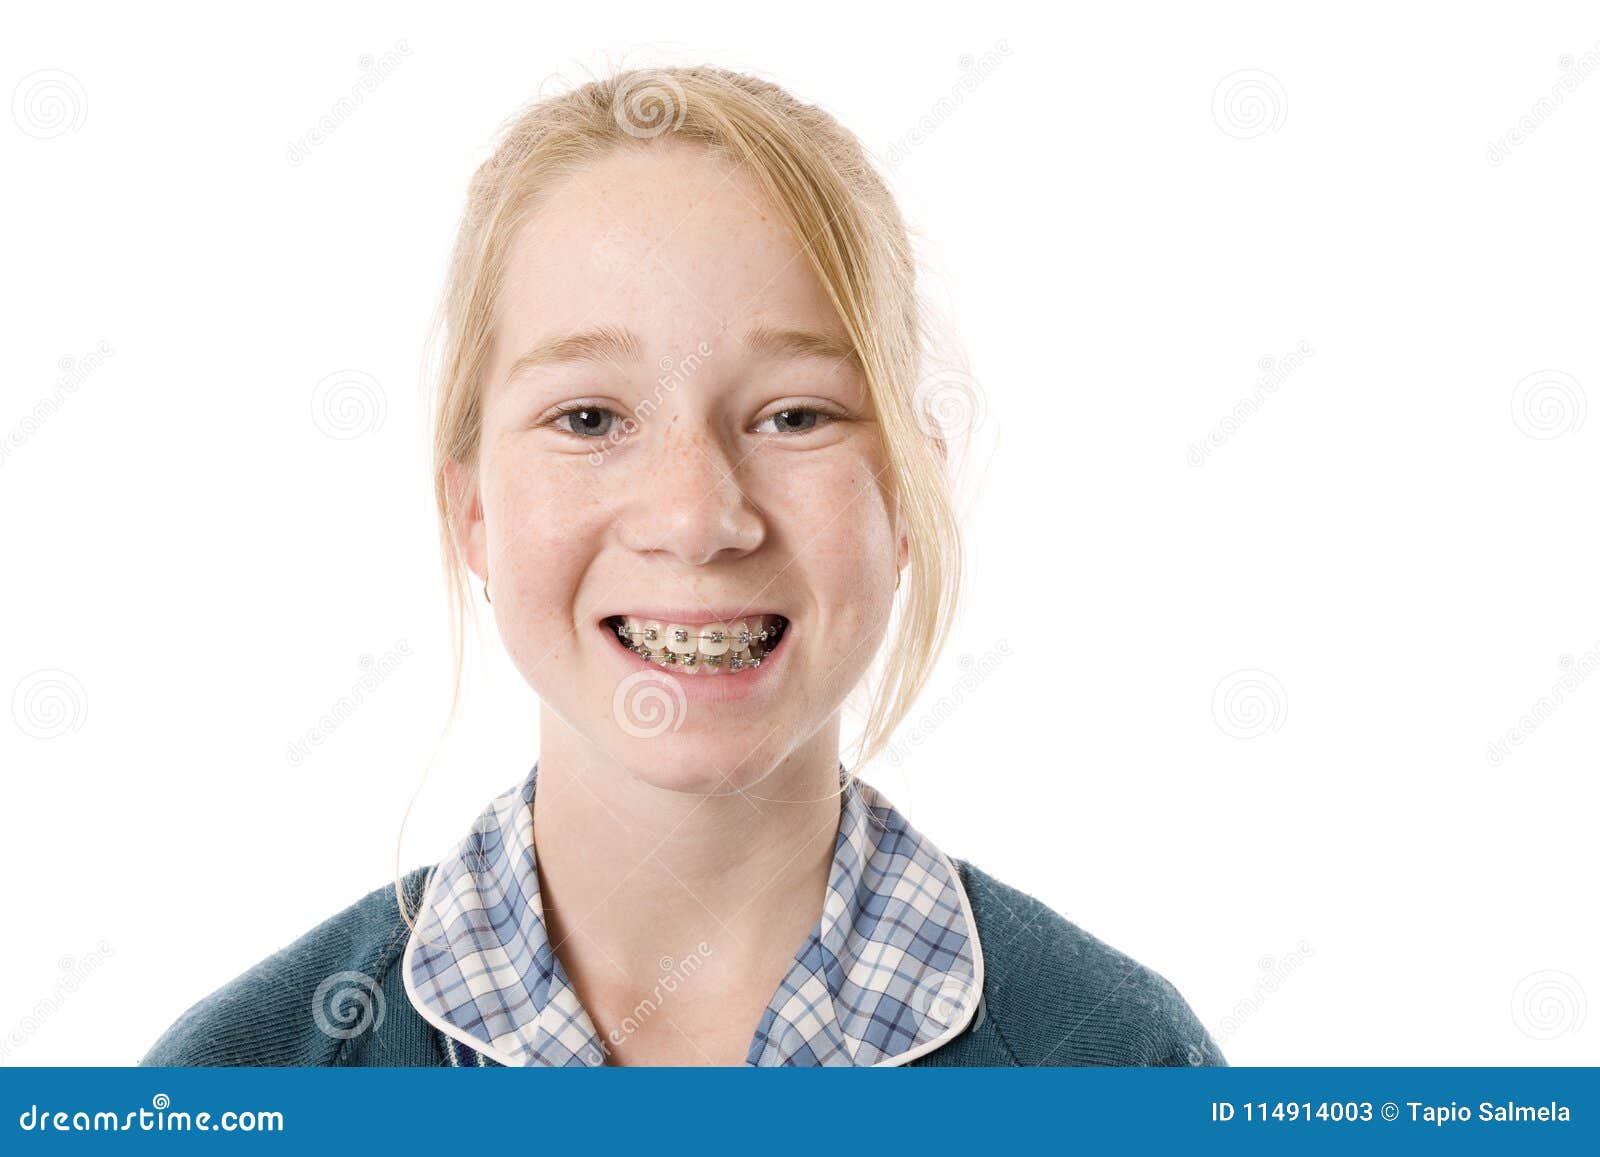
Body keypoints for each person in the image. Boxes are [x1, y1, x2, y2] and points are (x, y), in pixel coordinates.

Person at [142, 65, 1224, 1068]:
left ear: (908, 494)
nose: (697, 517)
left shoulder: (1119, 1067)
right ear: (471, 510)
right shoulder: (241, 1078)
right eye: (589, 418)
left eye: (794, 415)